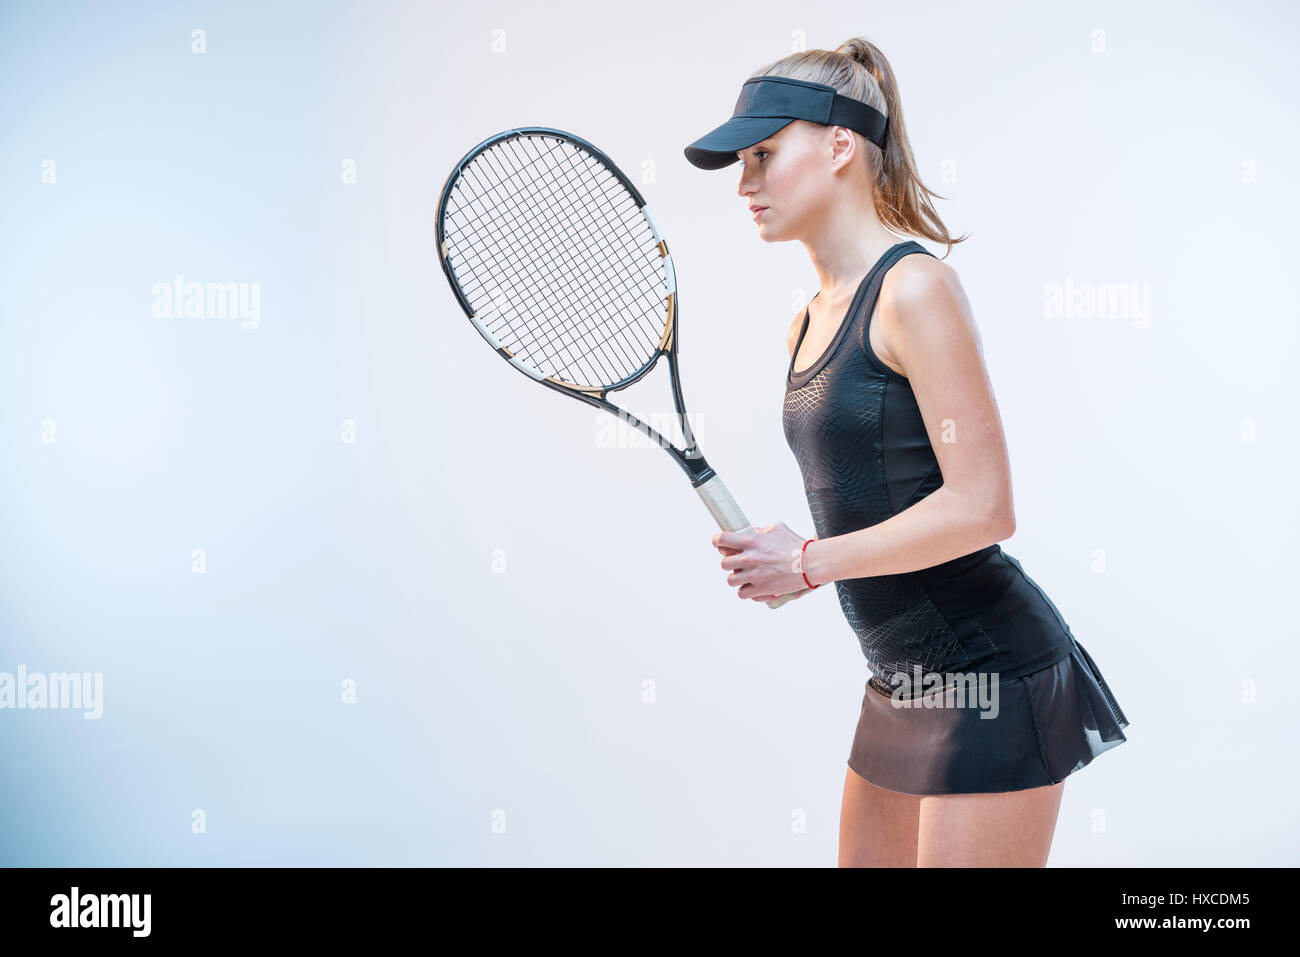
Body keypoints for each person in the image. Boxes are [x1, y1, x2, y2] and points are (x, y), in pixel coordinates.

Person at [683, 37, 1130, 867]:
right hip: (901, 680)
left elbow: (983, 504)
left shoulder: (914, 290)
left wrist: (811, 560)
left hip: (991, 678)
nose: (744, 185)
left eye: (763, 155)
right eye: (740, 164)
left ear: (840, 145)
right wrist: (796, 558)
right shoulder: (809, 318)